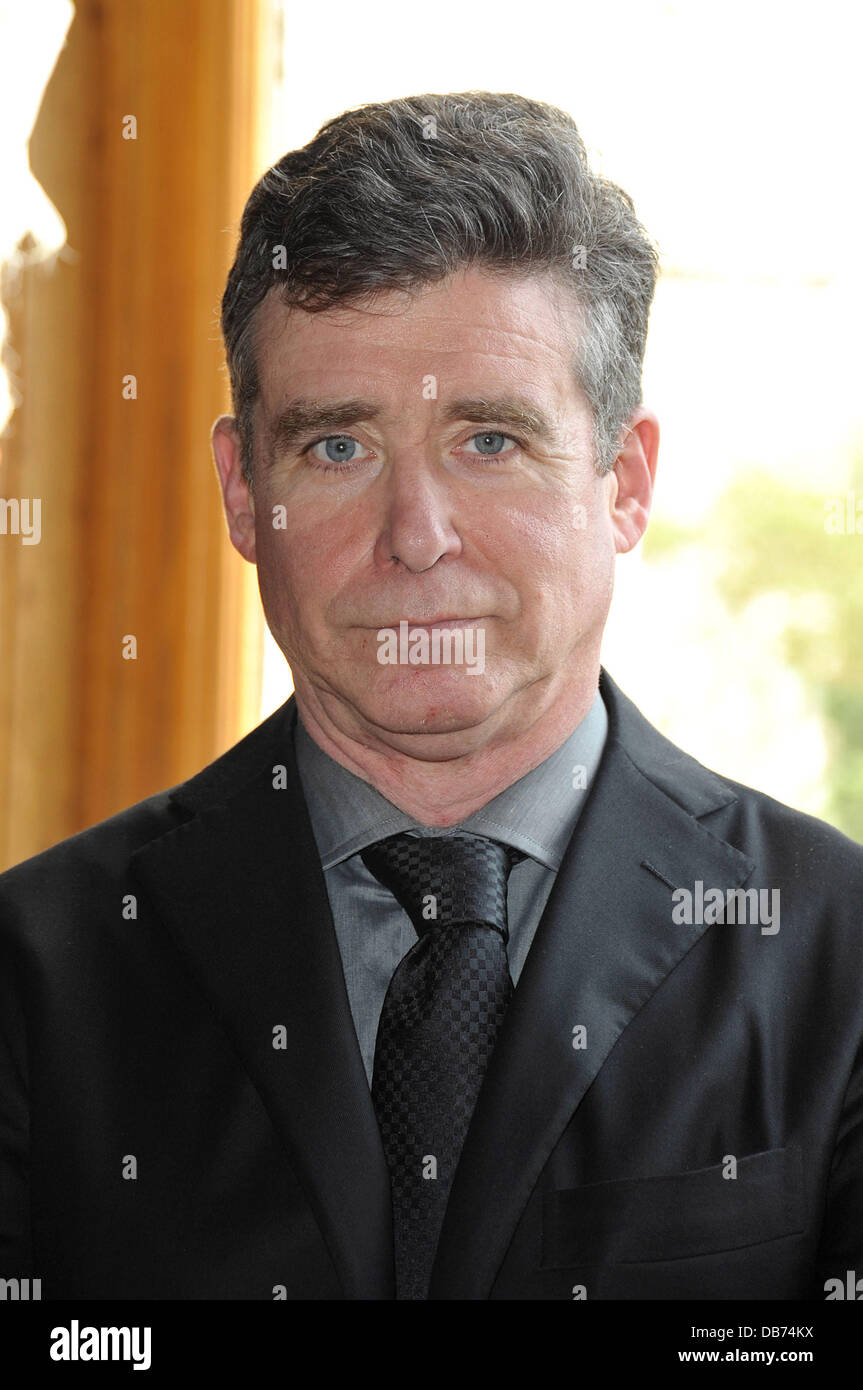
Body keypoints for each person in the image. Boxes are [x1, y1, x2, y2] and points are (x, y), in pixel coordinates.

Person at [1, 91, 862, 1302]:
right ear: (245, 494)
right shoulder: (39, 975)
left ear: (622, 481)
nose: (416, 536)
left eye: (489, 442)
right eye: (337, 447)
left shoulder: (836, 951)